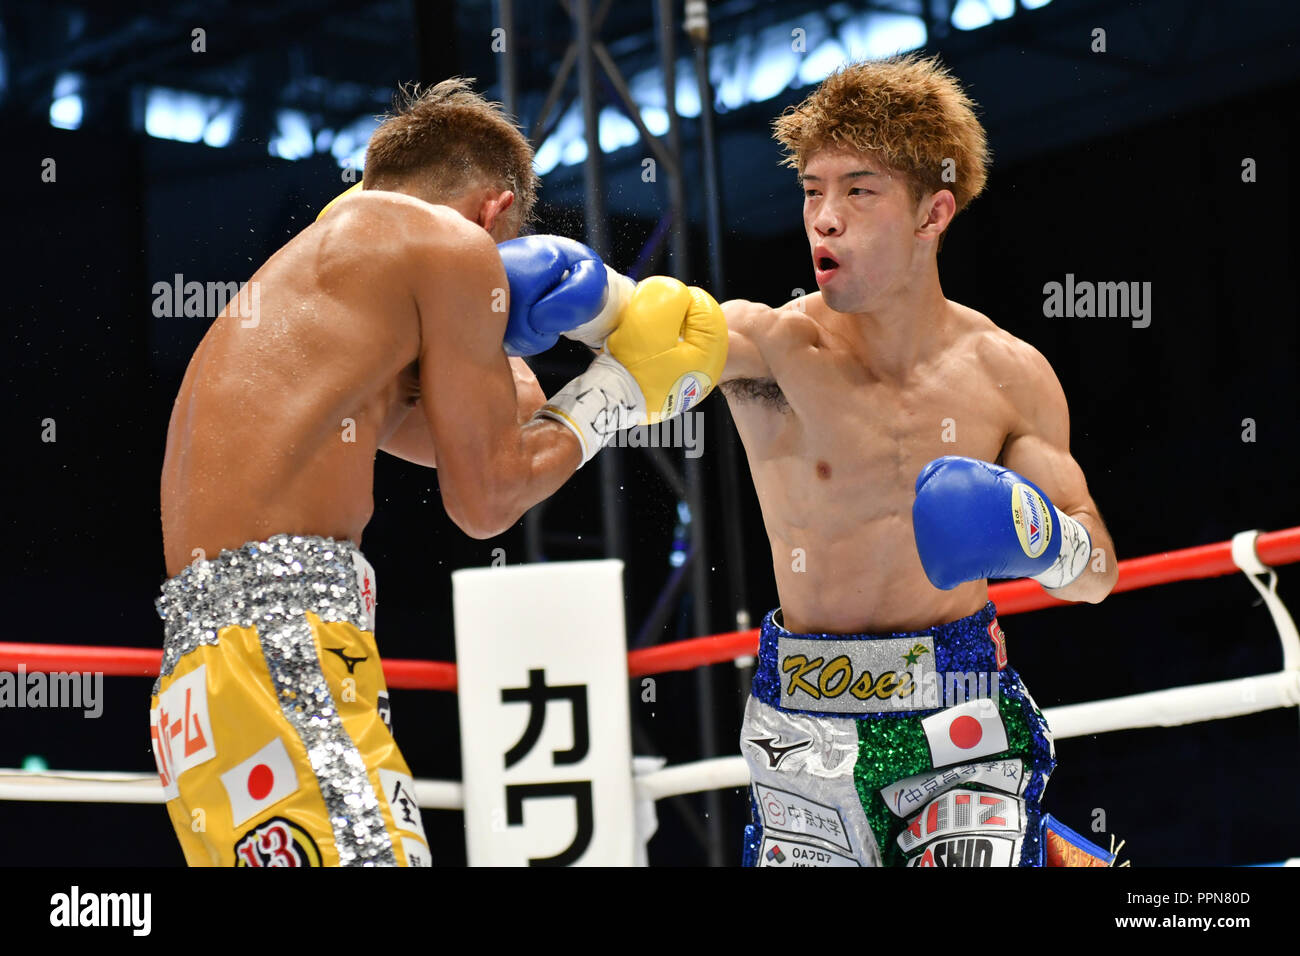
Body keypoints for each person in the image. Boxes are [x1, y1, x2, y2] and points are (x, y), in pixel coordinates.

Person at [153, 78, 726, 866]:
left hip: (199, 684)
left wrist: (512, 364)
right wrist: (619, 391)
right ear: (495, 212)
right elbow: (488, 498)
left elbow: (467, 435)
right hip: (287, 655)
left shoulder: (310, 277)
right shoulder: (451, 246)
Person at [720, 55, 1118, 867]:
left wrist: (1045, 539)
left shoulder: (1007, 375)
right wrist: (589, 310)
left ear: (933, 212)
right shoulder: (765, 346)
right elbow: (650, 339)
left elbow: (1097, 576)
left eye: (858, 191)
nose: (824, 219)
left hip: (961, 711)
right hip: (801, 728)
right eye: (811, 191)